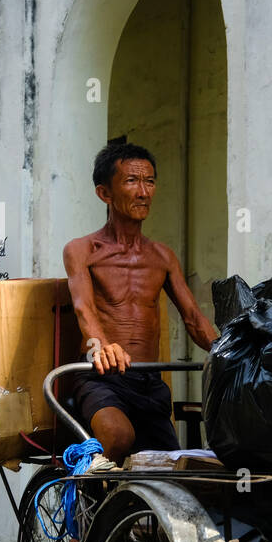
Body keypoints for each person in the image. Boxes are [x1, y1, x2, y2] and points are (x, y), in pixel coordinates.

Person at [62, 141, 219, 465]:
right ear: (104, 193)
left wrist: (227, 352)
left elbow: (192, 317)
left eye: (149, 181)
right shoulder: (82, 250)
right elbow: (83, 308)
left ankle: (128, 510)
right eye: (132, 181)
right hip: (100, 377)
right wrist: (102, 346)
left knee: (171, 467)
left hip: (149, 381)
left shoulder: (162, 256)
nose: (143, 191)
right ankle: (87, 503)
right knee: (119, 437)